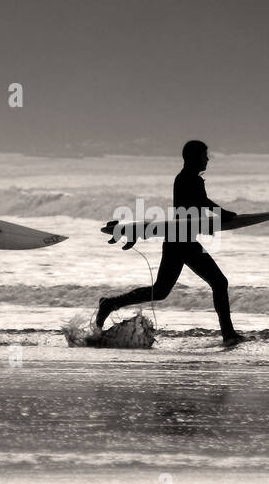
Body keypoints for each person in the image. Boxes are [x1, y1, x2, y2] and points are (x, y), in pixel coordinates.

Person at [95, 140, 245, 346]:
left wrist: (209, 223)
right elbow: (201, 204)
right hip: (182, 241)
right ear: (194, 157)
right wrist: (225, 214)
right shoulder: (189, 179)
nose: (207, 159)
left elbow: (193, 210)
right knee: (219, 282)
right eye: (204, 155)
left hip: (179, 239)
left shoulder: (184, 178)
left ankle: (110, 303)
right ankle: (228, 335)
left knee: (161, 290)